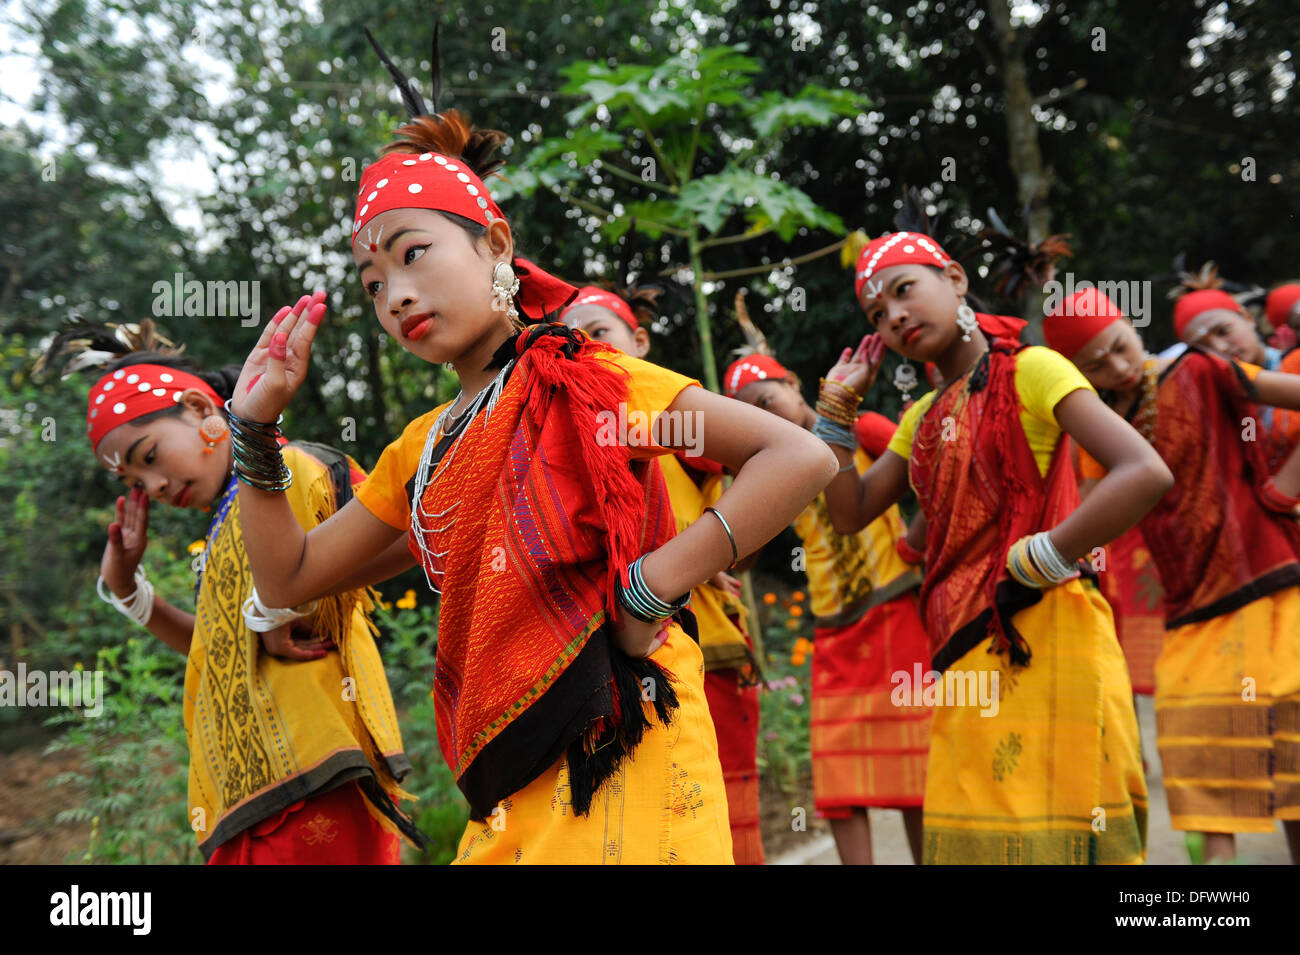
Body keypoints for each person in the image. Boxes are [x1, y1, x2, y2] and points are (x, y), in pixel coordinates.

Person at [225, 37, 838, 864]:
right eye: (373, 286)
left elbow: (799, 457)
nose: (396, 293)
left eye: (413, 254)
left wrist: (651, 589)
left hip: (623, 741)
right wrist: (254, 430)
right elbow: (288, 577)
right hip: (505, 779)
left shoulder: (590, 384)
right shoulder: (425, 448)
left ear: (496, 245)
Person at [821, 231, 1172, 865]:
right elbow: (848, 513)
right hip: (960, 658)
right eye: (877, 314)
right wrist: (837, 413)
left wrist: (1046, 553)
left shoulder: (1033, 369)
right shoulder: (920, 416)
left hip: (1046, 631)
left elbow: (1142, 471)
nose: (894, 316)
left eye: (904, 291)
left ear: (955, 279)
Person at [43, 323, 419, 863]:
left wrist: (280, 601)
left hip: (315, 780)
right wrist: (130, 592)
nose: (152, 488)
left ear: (200, 409)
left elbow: (420, 530)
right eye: (134, 483)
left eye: (148, 457)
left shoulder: (288, 470)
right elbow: (221, 647)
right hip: (253, 797)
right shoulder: (224, 525)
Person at [1046, 286, 1300, 863]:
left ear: (1134, 327)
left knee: (1295, 774)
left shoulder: (1200, 368)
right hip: (1190, 613)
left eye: (1119, 345)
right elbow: (1088, 517)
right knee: (1199, 767)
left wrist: (1281, 493)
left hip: (1271, 582)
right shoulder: (1102, 429)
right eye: (1096, 366)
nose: (1117, 365)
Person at [561, 283, 767, 865]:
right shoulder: (558, 438)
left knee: (724, 819)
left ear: (640, 341)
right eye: (573, 339)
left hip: (706, 651)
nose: (587, 347)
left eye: (601, 332)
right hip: (607, 668)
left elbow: (746, 547)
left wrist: (705, 560)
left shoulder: (678, 431)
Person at [724, 350, 931, 865]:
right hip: (835, 635)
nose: (766, 416)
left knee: (918, 776)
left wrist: (916, 544)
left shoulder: (866, 430)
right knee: (838, 786)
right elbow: (742, 557)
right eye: (752, 414)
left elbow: (938, 471)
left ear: (794, 382)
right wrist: (740, 472)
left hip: (897, 615)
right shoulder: (770, 467)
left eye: (768, 400)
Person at [1174, 286, 1299, 471]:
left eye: (1223, 331)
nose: (1220, 348)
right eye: (1202, 347)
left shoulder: (1294, 364)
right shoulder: (1214, 407)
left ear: (1247, 318)